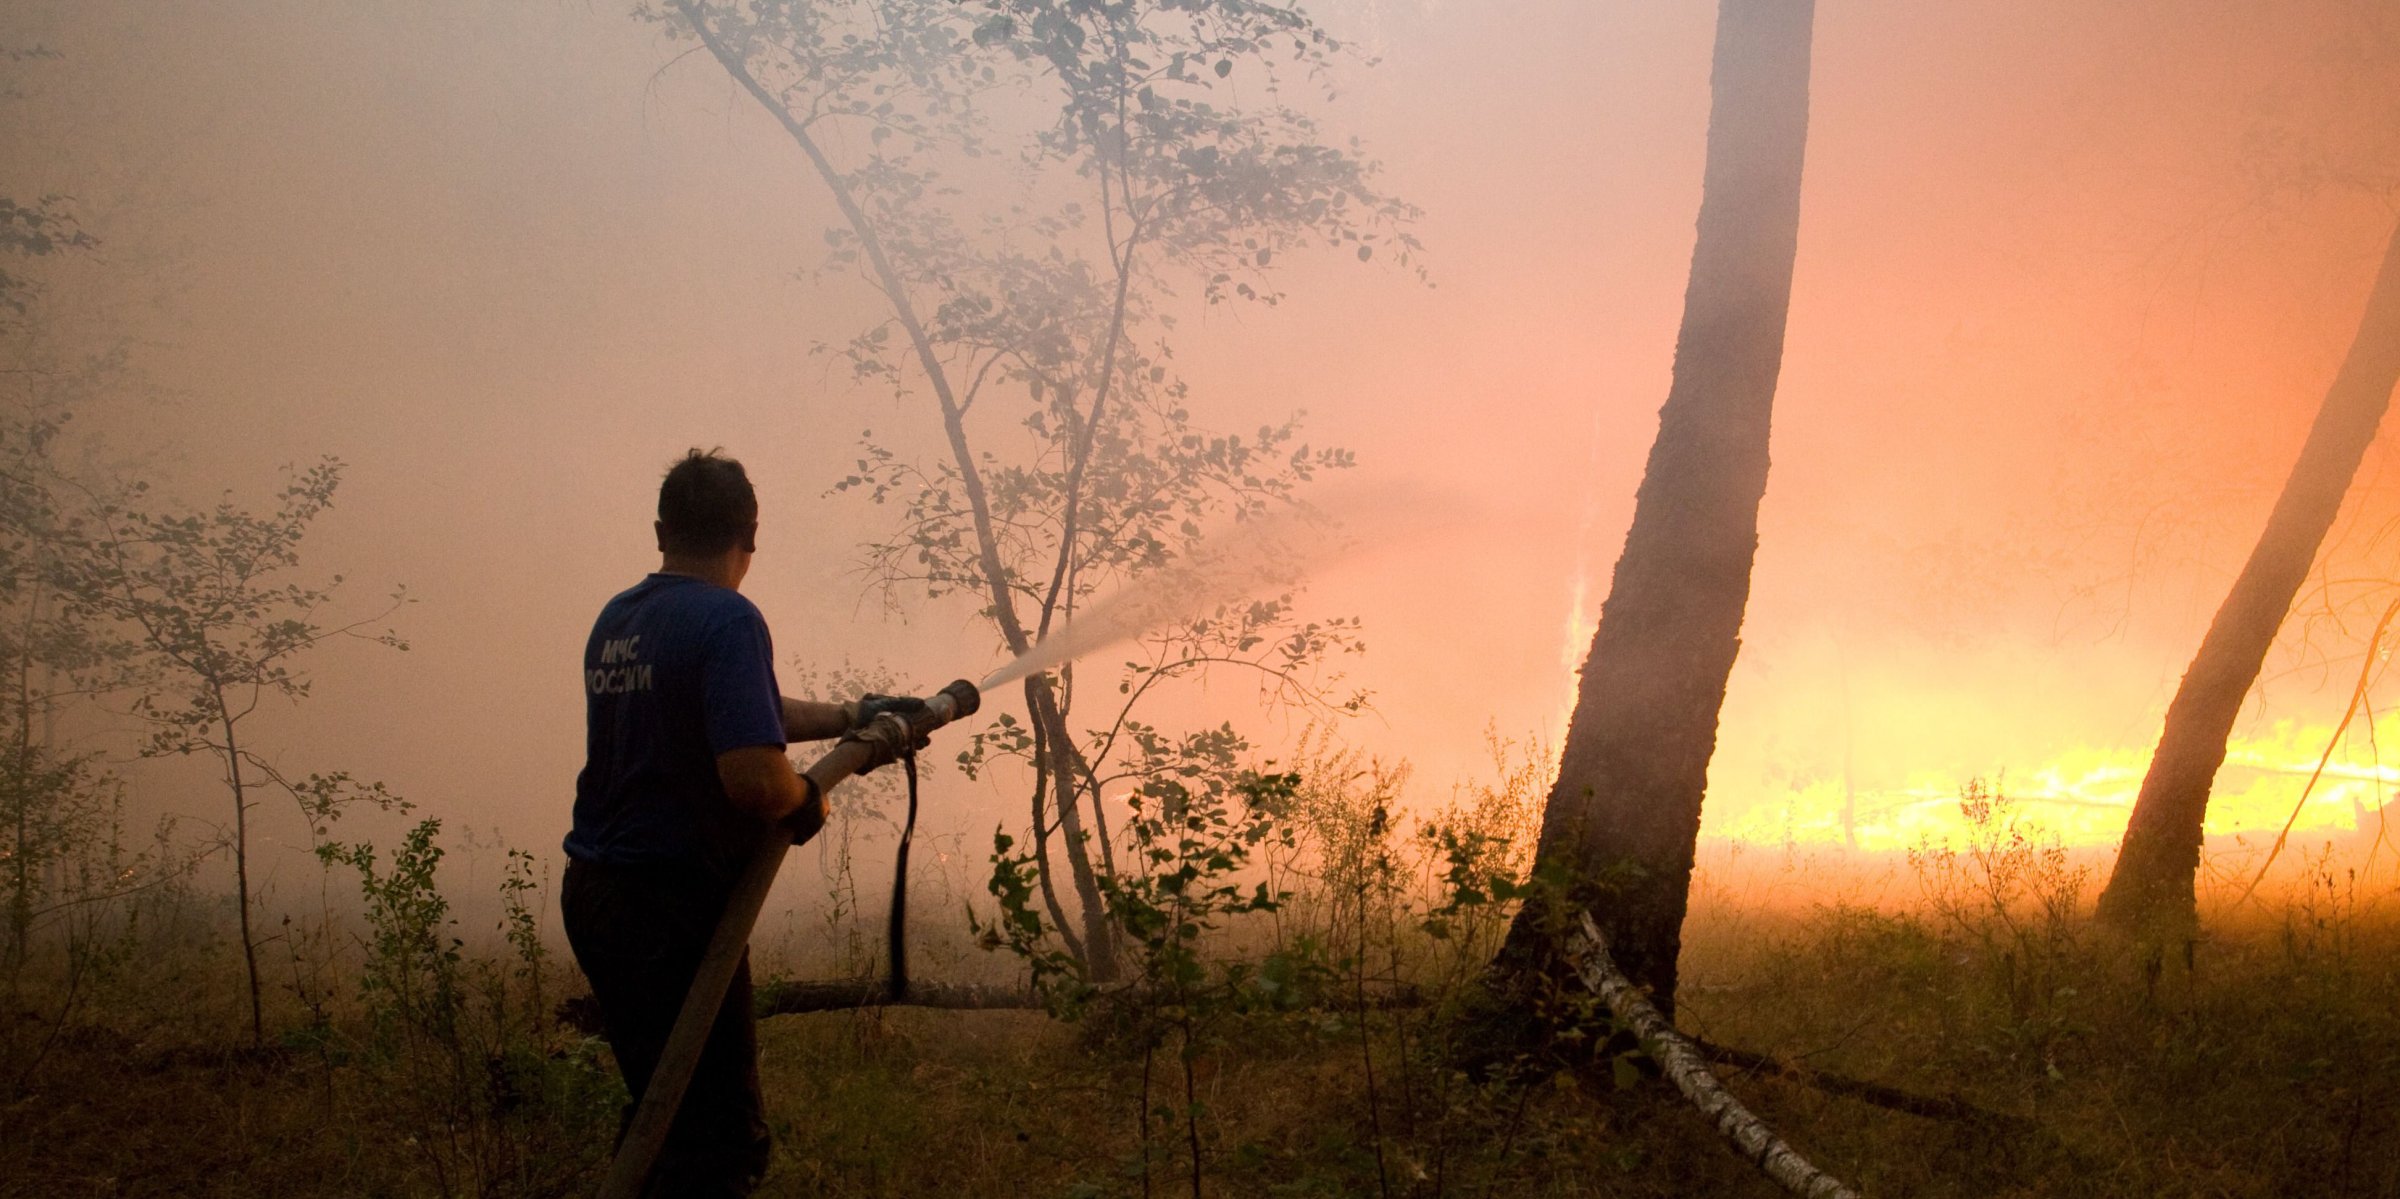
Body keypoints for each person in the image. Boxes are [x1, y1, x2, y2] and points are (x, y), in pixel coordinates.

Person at [562, 448, 875, 1197]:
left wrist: (852, 716)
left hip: (598, 895)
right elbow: (755, 780)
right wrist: (806, 795)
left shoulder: (621, 617)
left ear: (661, 531)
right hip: (668, 908)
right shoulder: (728, 618)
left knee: (664, 1109)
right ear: (751, 535)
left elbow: (740, 712)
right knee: (720, 1144)